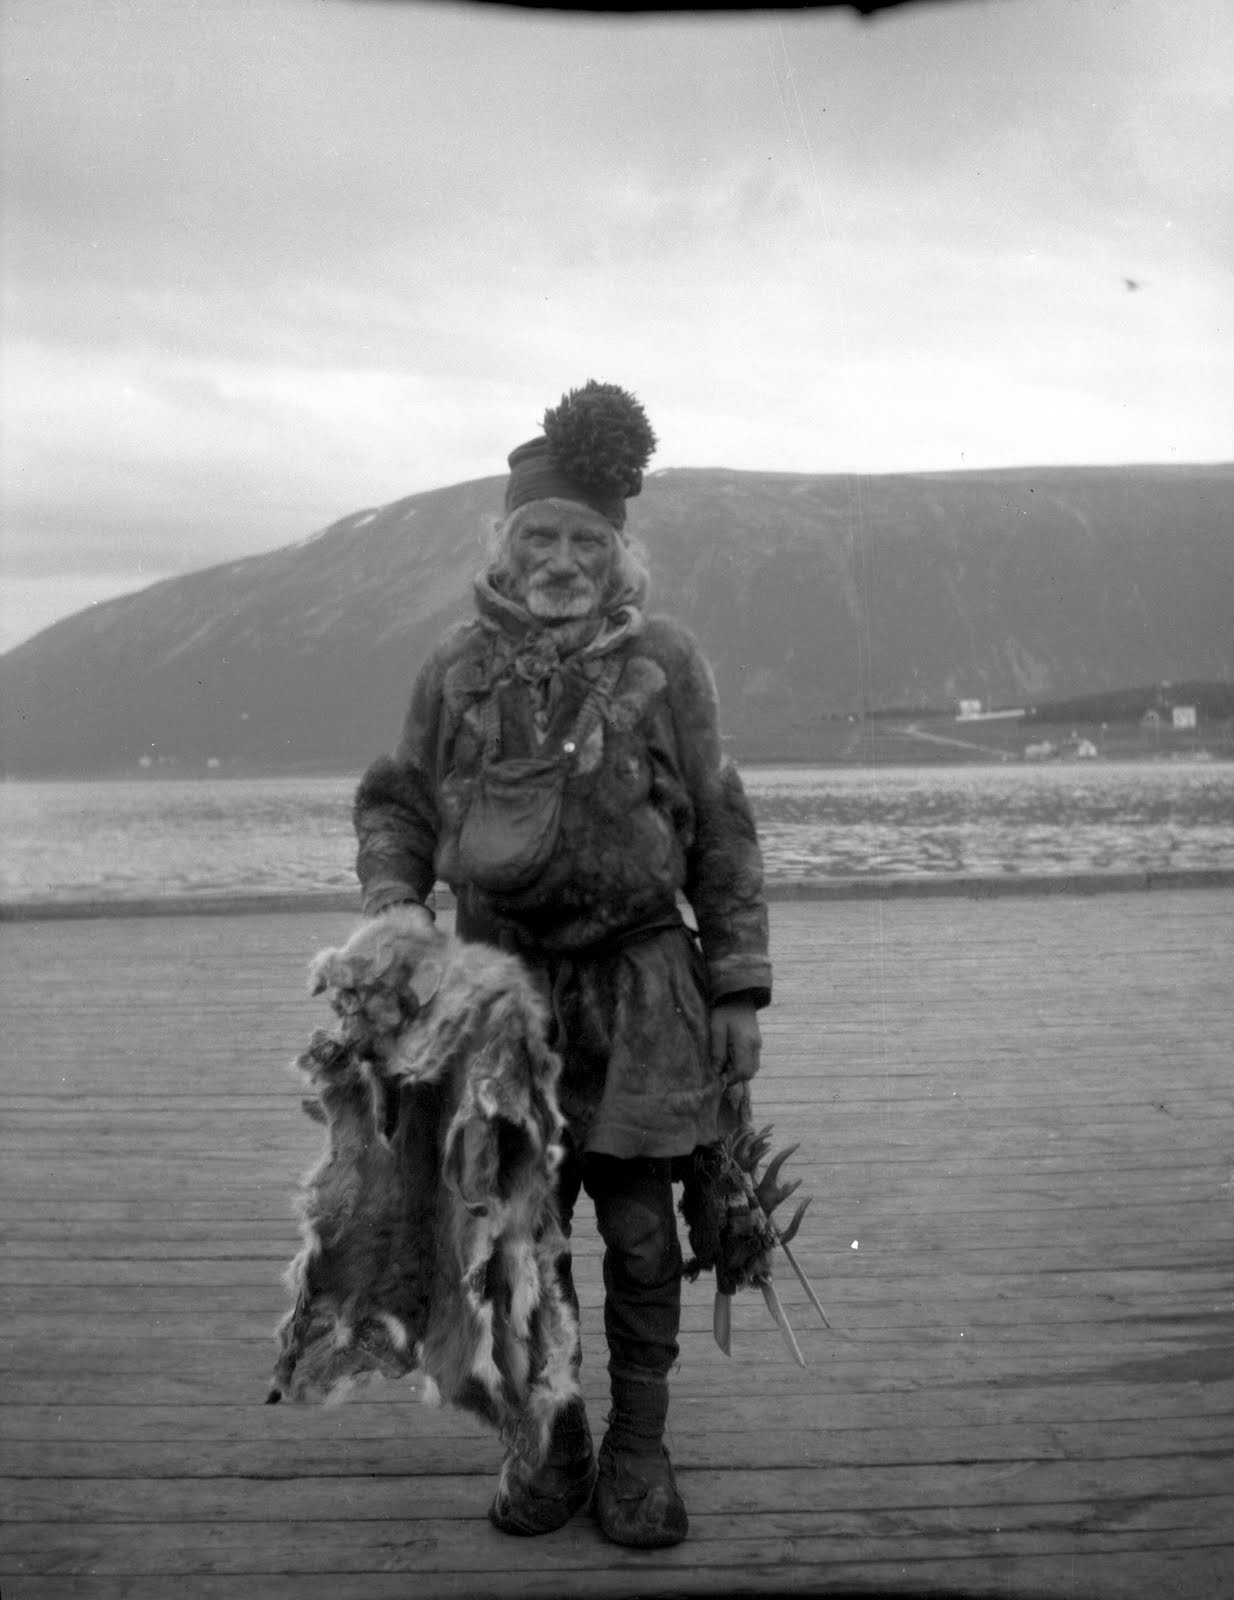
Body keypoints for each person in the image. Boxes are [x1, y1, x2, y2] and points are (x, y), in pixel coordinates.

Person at [352, 381, 772, 1549]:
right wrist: (395, 900)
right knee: (523, 1231)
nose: (562, 557)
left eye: (587, 538)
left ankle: (638, 1449)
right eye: (541, 535)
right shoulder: (452, 667)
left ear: (618, 550)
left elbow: (722, 828)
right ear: (505, 541)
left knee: (640, 1230)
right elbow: (396, 802)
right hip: (500, 990)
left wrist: (736, 984)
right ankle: (555, 1438)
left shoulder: (667, 663)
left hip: (644, 988)